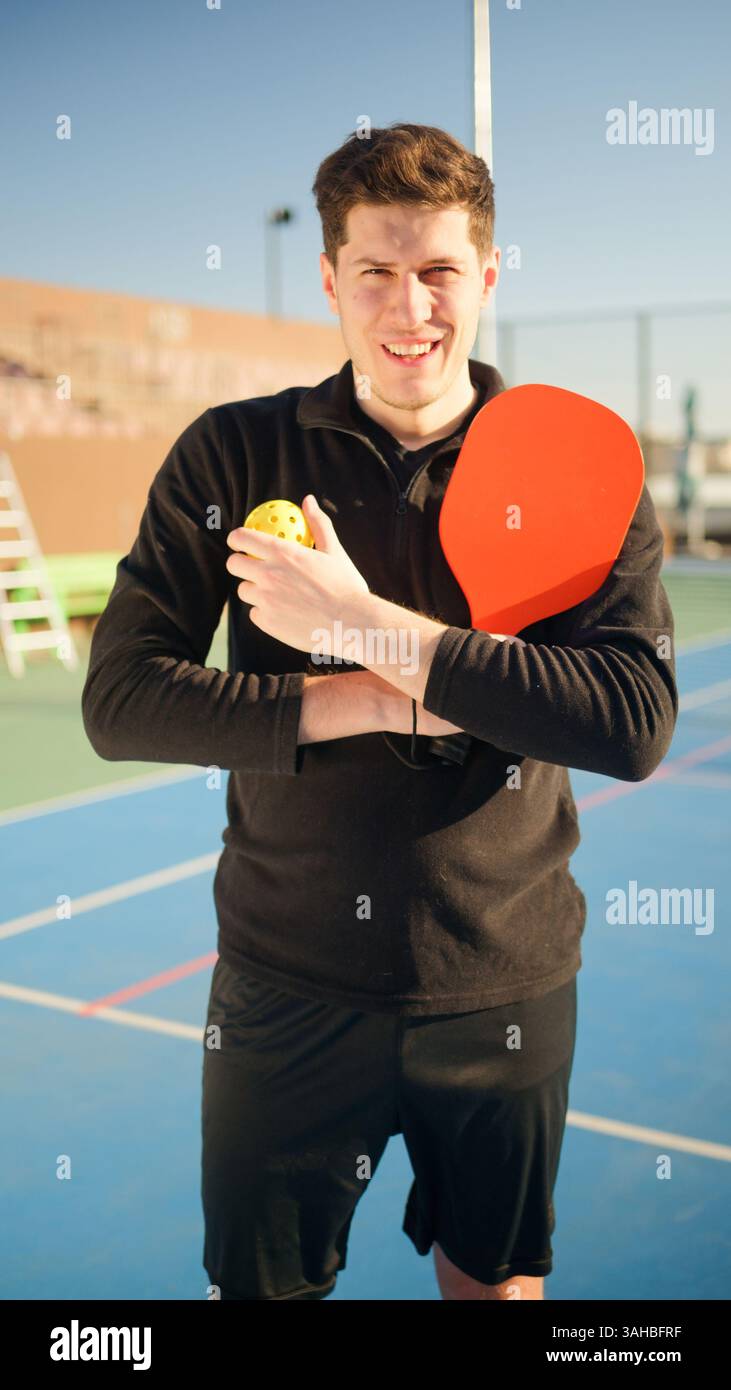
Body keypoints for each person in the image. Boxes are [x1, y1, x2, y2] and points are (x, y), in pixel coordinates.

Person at [81, 122, 678, 1301]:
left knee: (497, 1287)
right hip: (284, 983)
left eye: (440, 271)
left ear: (489, 273)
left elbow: (630, 719)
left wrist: (364, 624)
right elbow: (121, 698)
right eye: (377, 272)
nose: (410, 307)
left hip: (502, 978)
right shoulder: (231, 453)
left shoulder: (571, 467)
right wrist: (368, 694)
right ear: (329, 280)